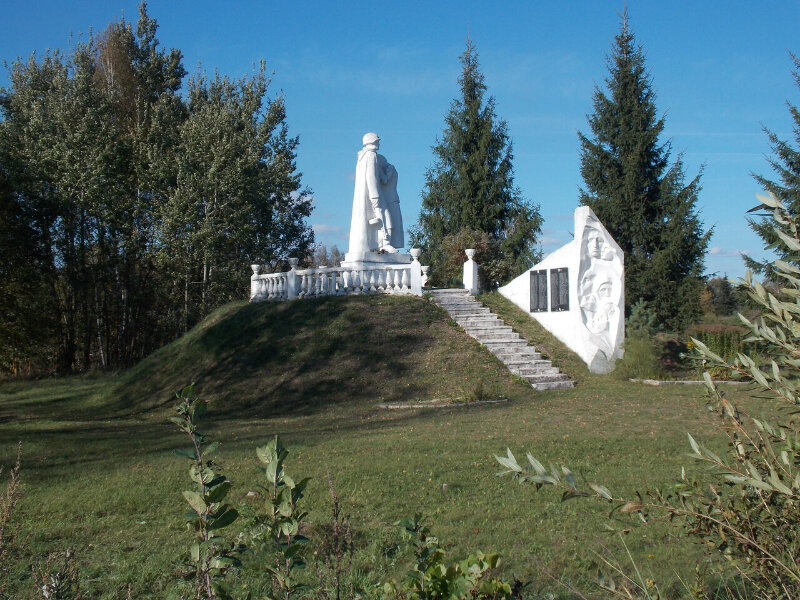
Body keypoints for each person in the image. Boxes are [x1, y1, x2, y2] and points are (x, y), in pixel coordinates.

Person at [347, 133, 403, 259]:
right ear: (372, 142)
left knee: (379, 218)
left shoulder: (363, 156)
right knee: (385, 216)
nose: (378, 143)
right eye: (377, 141)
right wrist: (375, 195)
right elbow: (371, 177)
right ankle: (385, 243)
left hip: (368, 194)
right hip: (373, 193)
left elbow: (380, 178)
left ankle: (378, 244)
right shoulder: (371, 155)